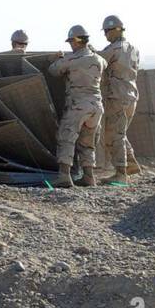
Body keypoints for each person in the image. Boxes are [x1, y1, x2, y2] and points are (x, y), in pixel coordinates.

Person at [47, 25, 107, 188]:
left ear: (76, 41)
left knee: (66, 137)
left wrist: (56, 58)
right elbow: (105, 64)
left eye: (71, 42)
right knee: (87, 142)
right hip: (96, 106)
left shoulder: (71, 59)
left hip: (78, 106)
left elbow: (53, 71)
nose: (70, 45)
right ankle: (89, 177)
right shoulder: (99, 59)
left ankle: (64, 176)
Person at [97, 15, 140, 184]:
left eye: (107, 31)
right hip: (131, 96)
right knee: (120, 132)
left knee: (114, 135)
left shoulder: (113, 49)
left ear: (115, 30)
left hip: (118, 96)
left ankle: (121, 174)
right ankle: (130, 165)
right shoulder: (133, 48)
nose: (105, 35)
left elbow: (97, 62)